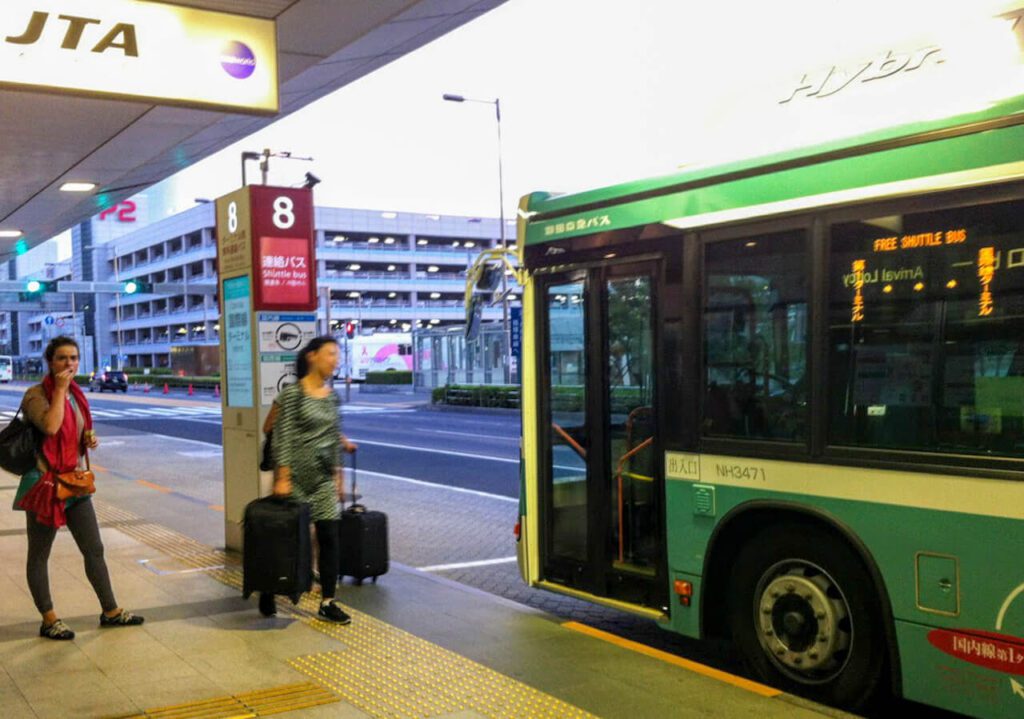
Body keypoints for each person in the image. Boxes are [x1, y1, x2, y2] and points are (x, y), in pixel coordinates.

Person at [14, 336, 144, 640]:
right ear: (50, 362)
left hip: (74, 482)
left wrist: (88, 439)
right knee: (39, 555)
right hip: (45, 484)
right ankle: (49, 619)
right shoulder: (36, 395)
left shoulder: (76, 394)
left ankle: (110, 611)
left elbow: (77, 430)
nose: (69, 364)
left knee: (94, 549)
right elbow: (51, 427)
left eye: (73, 358)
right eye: (62, 358)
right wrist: (59, 390)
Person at [261, 336, 356, 622]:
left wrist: (338, 477)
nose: (335, 360)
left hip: (322, 480)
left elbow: (331, 436)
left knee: (329, 537)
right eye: (330, 354)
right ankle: (269, 588)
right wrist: (283, 477)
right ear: (312, 356)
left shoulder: (331, 397)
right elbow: (283, 437)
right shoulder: (293, 394)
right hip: (296, 479)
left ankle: (328, 600)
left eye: (337, 355)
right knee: (291, 541)